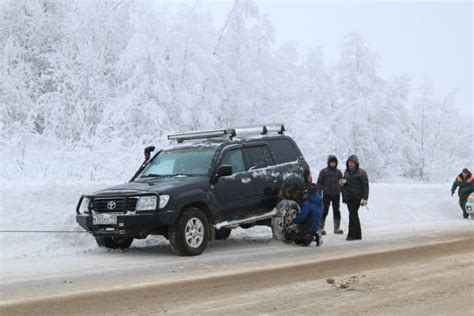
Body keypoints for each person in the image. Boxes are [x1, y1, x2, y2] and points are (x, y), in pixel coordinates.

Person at [340, 155, 369, 241]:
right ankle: (358, 234)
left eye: (352, 162)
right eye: (349, 162)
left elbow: (365, 186)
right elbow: (343, 182)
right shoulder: (346, 172)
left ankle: (351, 235)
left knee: (352, 215)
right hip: (348, 197)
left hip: (356, 197)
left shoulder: (361, 172)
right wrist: (342, 182)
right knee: (354, 215)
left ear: (356, 163)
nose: (350, 164)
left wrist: (365, 198)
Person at [316, 155, 343, 235]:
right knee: (324, 211)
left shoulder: (338, 172)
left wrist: (342, 191)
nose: (332, 164)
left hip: (336, 194)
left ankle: (337, 228)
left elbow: (342, 183)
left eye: (334, 162)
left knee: (336, 211)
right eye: (331, 162)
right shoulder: (323, 172)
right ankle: (320, 228)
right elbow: (319, 183)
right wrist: (319, 192)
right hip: (326, 194)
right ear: (328, 163)